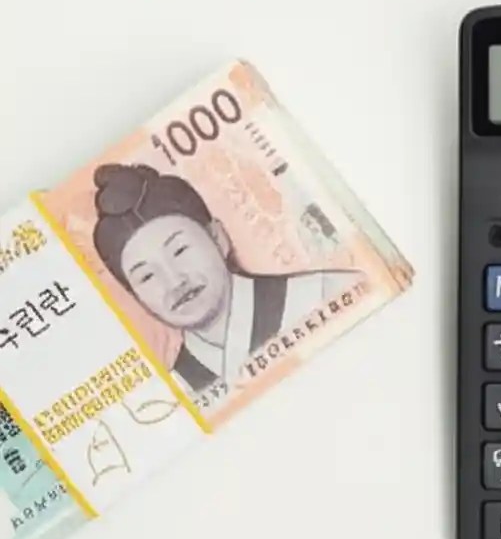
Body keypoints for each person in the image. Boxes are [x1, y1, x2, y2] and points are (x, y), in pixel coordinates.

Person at [92, 163, 361, 394]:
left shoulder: (329, 292)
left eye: (180, 250)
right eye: (147, 276)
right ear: (134, 295)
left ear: (218, 238)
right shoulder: (177, 388)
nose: (174, 281)